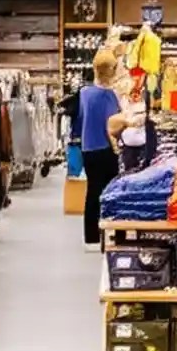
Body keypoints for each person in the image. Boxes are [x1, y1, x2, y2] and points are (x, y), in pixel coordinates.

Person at [77, 49, 121, 251]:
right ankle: (113, 232)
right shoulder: (109, 96)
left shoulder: (84, 93)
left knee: (92, 191)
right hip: (105, 147)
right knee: (112, 191)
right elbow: (111, 125)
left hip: (88, 147)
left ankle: (90, 237)